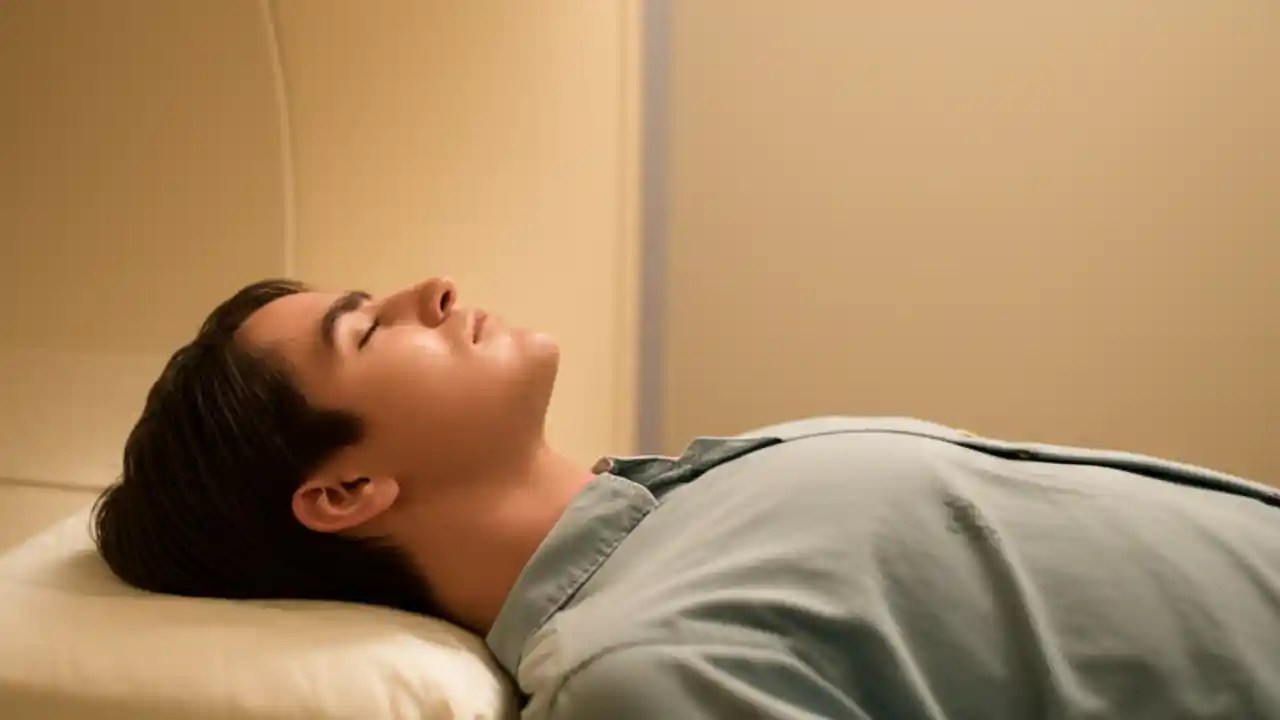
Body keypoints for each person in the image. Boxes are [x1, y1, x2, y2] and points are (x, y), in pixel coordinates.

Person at [94, 276, 1280, 719]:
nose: (430, 288)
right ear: (345, 490)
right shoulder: (638, 668)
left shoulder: (688, 498)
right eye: (369, 329)